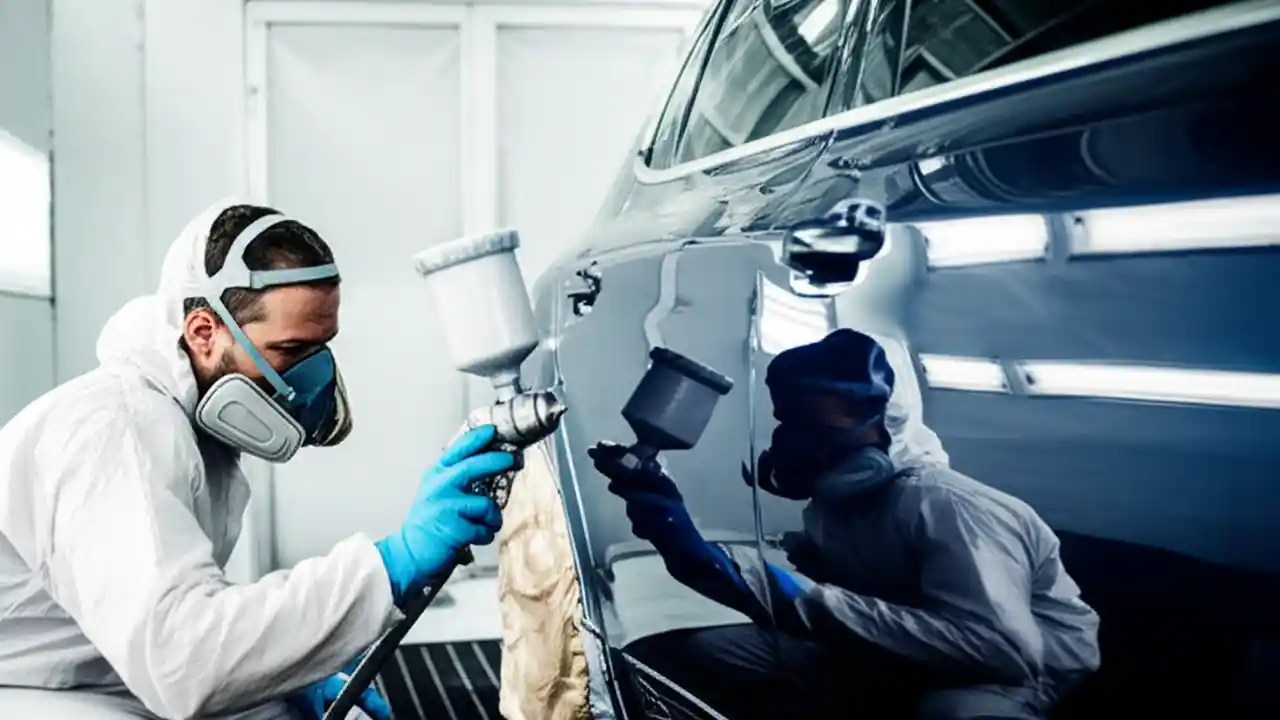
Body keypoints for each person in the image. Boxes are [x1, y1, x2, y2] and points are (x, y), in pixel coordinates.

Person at [0, 201, 514, 719]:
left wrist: (288, 679)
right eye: (290, 350)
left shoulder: (192, 428)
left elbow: (163, 632)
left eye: (322, 348)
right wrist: (389, 565)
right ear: (204, 333)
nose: (312, 379)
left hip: (98, 670)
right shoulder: (115, 430)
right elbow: (184, 660)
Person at [589, 329, 1101, 719]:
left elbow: (1003, 651)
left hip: (1014, 677)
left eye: (819, 429)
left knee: (952, 714)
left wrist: (804, 600)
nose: (794, 443)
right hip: (894, 651)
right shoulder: (840, 503)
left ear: (885, 426)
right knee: (712, 651)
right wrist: (667, 522)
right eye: (789, 422)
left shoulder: (950, 508)